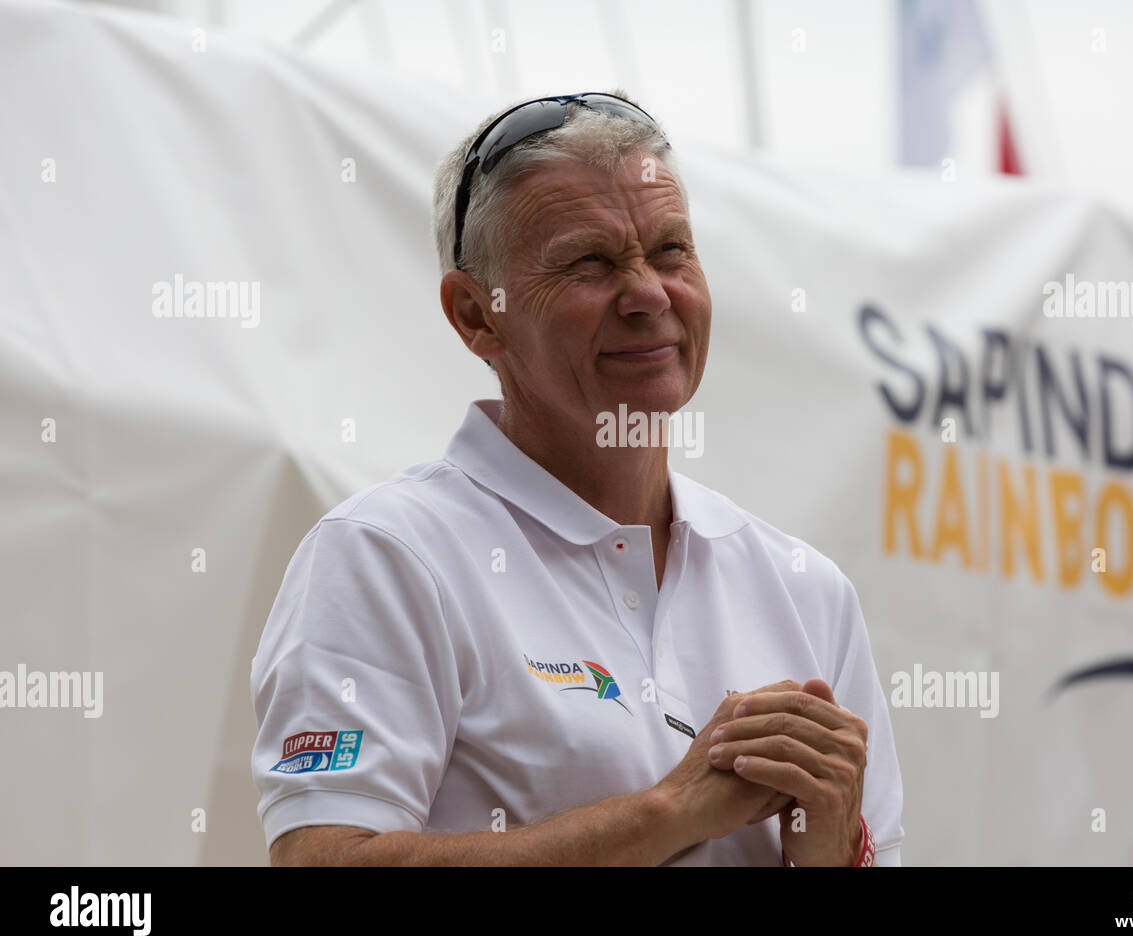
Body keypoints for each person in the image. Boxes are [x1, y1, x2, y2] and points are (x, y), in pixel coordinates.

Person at [250, 90, 903, 866]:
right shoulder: (385, 554)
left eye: (671, 251)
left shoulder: (805, 589)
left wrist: (827, 850)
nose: (649, 294)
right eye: (590, 262)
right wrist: (669, 812)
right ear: (474, 316)